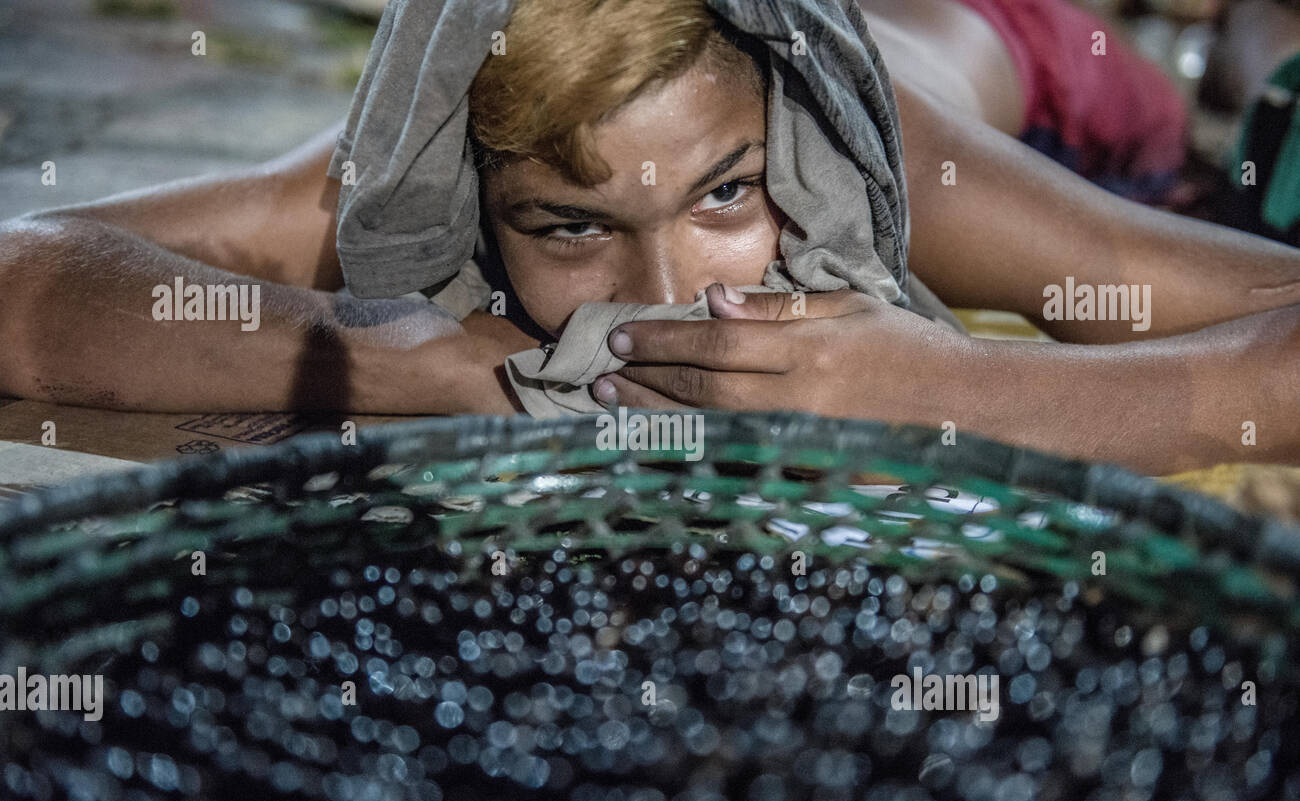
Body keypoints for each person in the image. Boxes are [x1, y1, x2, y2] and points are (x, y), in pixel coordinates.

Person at [0, 0, 1297, 476]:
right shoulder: (420, 158)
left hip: (1011, 53)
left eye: (726, 197)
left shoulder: (866, 146)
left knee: (1206, 107)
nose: (663, 296)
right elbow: (20, 279)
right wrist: (421, 362)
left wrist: (962, 389)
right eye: (571, 225)